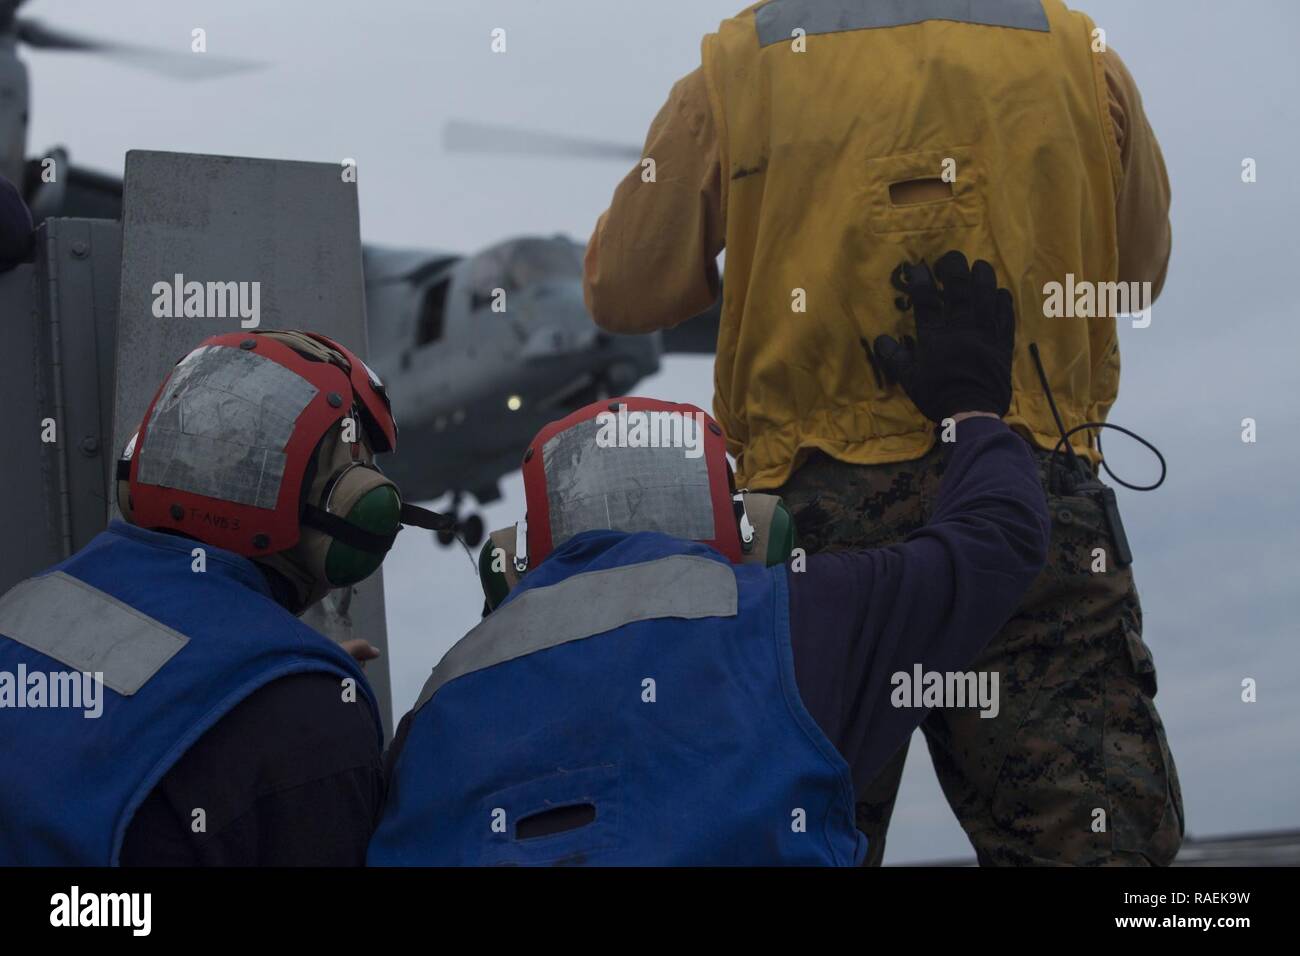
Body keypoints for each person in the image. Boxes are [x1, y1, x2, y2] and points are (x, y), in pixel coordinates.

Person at [583, 0, 1181, 866]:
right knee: (1089, 839)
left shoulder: (740, 60)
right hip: (1029, 495)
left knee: (795, 832)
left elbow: (626, 290)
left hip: (813, 534)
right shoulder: (1076, 52)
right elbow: (1136, 276)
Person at [370, 253, 1049, 865]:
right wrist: (973, 409)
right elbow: (997, 539)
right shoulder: (800, 624)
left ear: (508, 563)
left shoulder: (432, 716)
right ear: (757, 530)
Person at [0, 329, 436, 866]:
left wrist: (273, 688)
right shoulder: (300, 712)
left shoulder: (26, 606)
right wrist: (297, 703)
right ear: (349, 506)